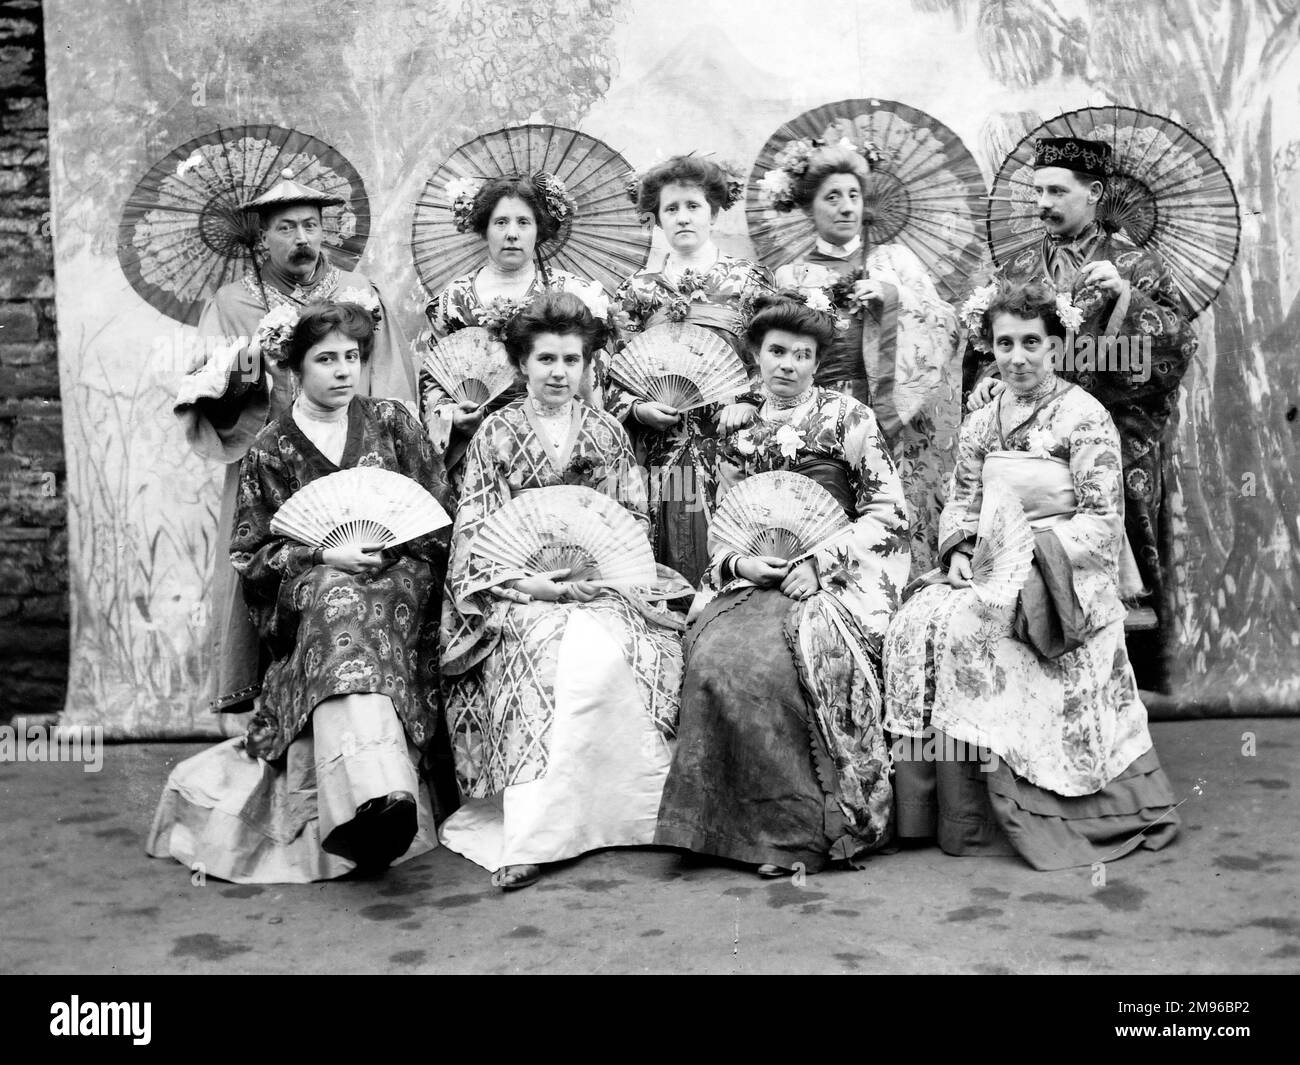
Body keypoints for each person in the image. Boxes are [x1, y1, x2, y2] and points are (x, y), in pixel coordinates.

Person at [149, 302, 452, 882]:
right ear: (295, 366)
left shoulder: (394, 423)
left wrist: (387, 550)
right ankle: (373, 799)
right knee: (338, 601)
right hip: (313, 590)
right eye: (325, 359)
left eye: (353, 358)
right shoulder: (270, 447)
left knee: (362, 603)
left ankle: (373, 794)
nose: (343, 371)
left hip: (400, 581)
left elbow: (439, 517)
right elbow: (252, 555)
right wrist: (320, 553)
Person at [884, 281, 1180, 870]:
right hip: (992, 562)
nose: (1016, 358)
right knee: (916, 622)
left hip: (1062, 572)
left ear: (1055, 346)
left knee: (976, 630)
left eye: (1030, 343)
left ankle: (1015, 809)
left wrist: (1029, 562)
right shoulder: (981, 418)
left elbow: (1102, 518)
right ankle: (930, 811)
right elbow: (962, 498)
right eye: (1003, 343)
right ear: (988, 346)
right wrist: (962, 551)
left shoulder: (1084, 415)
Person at [438, 291, 687, 891]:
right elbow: (474, 527)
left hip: (602, 586)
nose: (558, 373)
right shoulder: (496, 434)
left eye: (572, 361)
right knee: (552, 661)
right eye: (546, 359)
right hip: (518, 593)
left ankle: (640, 818)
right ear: (521, 363)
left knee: (628, 654)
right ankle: (537, 836)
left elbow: (633, 521)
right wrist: (525, 582)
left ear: (588, 365)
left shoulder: (607, 434)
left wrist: (601, 575)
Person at [655, 296, 911, 876]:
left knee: (781, 665)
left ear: (817, 363)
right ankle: (706, 827)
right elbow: (723, 522)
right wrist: (742, 568)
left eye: (802, 355)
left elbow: (889, 512)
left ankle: (794, 836)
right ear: (756, 354)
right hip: (754, 576)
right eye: (777, 352)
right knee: (714, 659)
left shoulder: (850, 419)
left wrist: (821, 560)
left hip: (834, 577)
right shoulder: (732, 422)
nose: (788, 365)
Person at [175, 172, 415, 717]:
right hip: (271, 464)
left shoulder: (357, 293)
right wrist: (243, 368)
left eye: (311, 225)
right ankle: (270, 713)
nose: (301, 238)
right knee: (267, 570)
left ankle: (360, 701)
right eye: (286, 227)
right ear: (263, 237)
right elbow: (204, 390)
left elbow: (391, 382)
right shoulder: (234, 303)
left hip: (349, 463)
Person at [965, 136, 1197, 692]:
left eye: (1056, 190)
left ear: (1093, 193)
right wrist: (985, 383)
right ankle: (1030, 674)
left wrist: (1127, 301)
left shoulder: (1138, 265)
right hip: (1029, 437)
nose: (1043, 202)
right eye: (1037, 190)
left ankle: (1120, 684)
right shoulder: (1018, 268)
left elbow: (1178, 349)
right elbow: (984, 349)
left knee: (1116, 532)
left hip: (1115, 431)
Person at [763, 139, 961, 577]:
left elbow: (946, 324)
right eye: (831, 197)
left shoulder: (894, 261)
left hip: (890, 407)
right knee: (831, 512)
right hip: (821, 411)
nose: (845, 206)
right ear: (809, 206)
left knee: (891, 513)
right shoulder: (792, 275)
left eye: (853, 195)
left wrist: (893, 297)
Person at [613, 155, 774, 586]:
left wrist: (747, 399)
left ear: (714, 212)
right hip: (662, 441)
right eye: (671, 209)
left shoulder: (747, 282)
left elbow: (771, 355)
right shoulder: (638, 291)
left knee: (737, 545)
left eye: (693, 206)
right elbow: (611, 373)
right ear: (656, 218)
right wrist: (637, 408)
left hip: (731, 436)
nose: (682, 218)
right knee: (670, 539)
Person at [421, 173, 618, 493]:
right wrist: (453, 416)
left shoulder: (574, 292)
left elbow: (594, 379)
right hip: (479, 444)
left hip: (557, 438)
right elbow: (432, 378)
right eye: (500, 222)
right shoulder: (453, 300)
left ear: (539, 229)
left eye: (523, 222)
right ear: (483, 227)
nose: (512, 233)